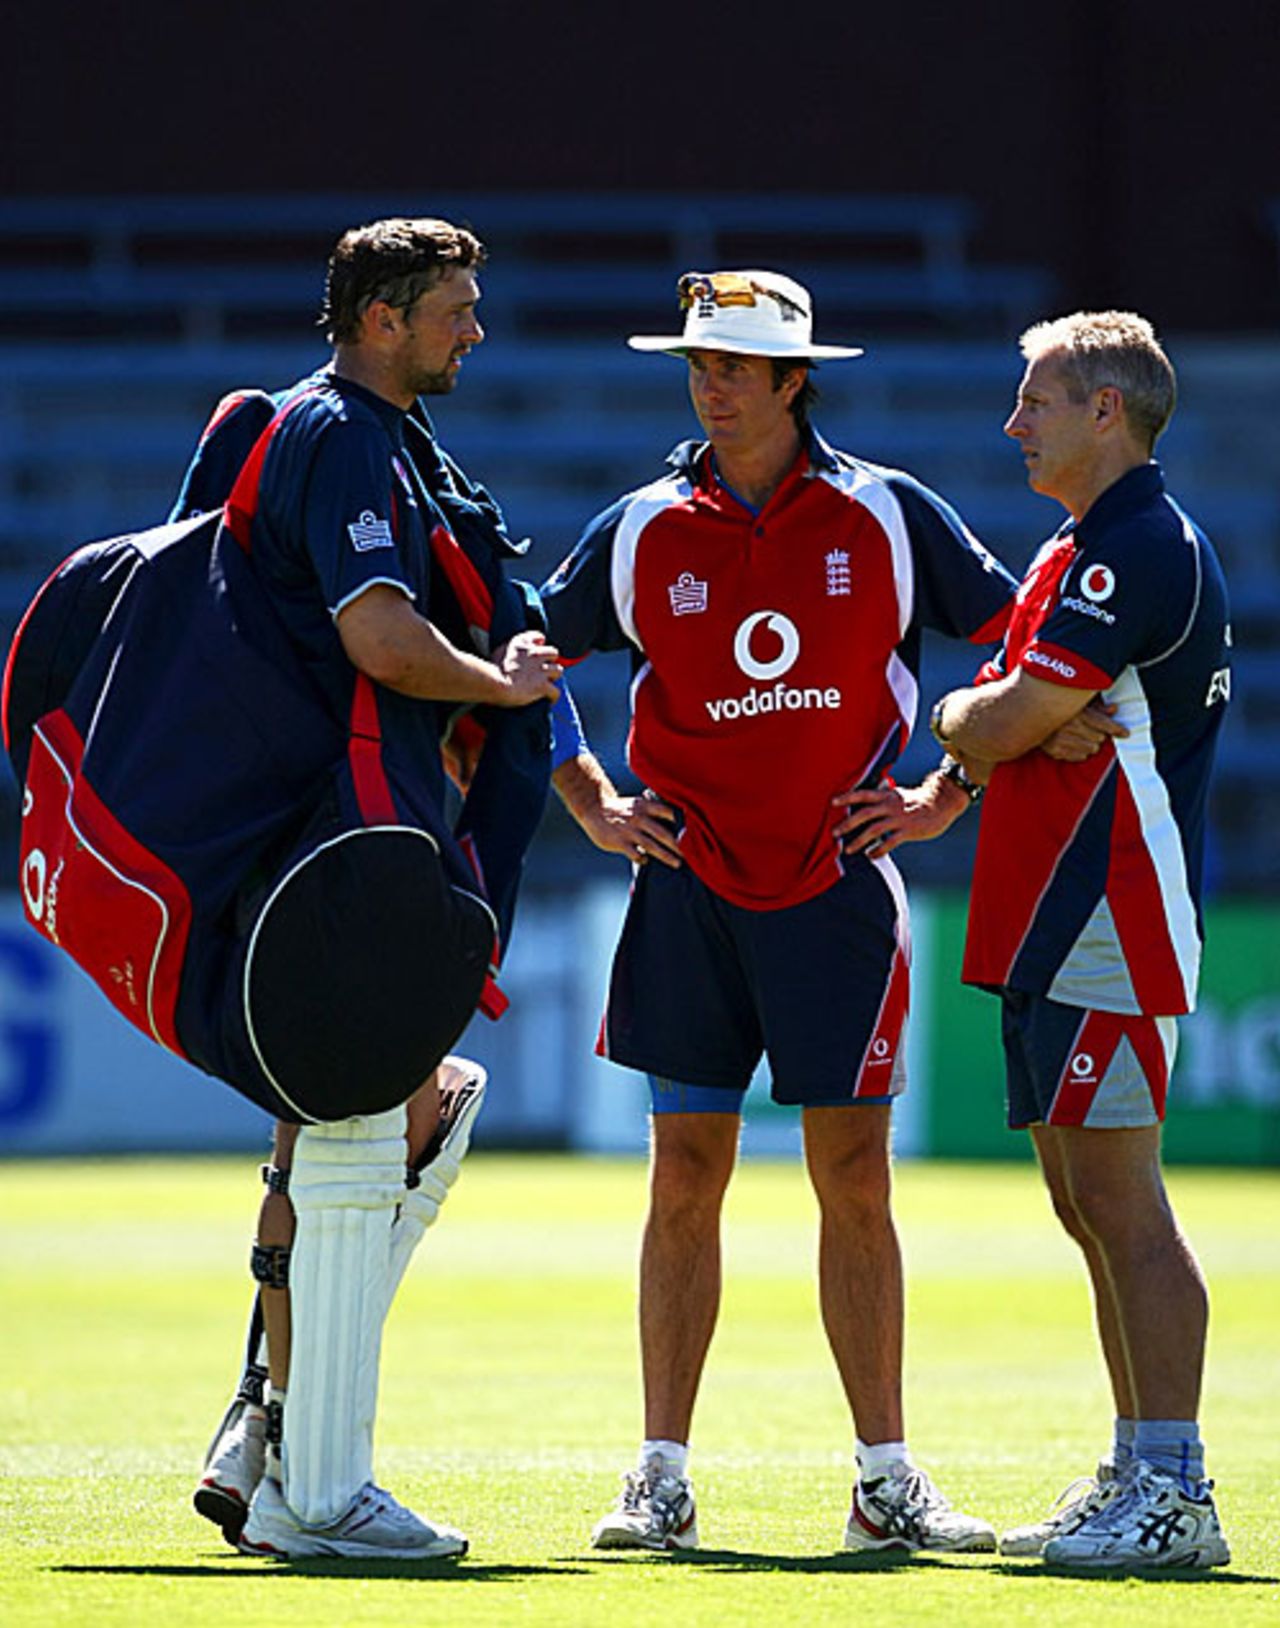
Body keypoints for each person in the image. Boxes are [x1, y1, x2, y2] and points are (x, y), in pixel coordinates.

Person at [539, 269, 1018, 1554]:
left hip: (835, 894)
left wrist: (947, 787)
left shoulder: (886, 512)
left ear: (795, 379)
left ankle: (883, 1478)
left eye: (735, 366)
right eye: (697, 362)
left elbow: (1031, 642)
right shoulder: (643, 522)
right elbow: (523, 658)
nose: (710, 384)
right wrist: (583, 791)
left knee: (851, 1177)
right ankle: (658, 1476)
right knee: (680, 1174)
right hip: (685, 887)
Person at [178, 216, 564, 1560]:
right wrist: (497, 684)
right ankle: (321, 1489)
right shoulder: (343, 432)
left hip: (320, 826)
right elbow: (381, 639)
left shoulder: (363, 433)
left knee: (394, 1106)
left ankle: (279, 1435)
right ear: (385, 317)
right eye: (455, 306)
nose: (474, 328)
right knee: (361, 1120)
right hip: (342, 824)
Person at [900, 311, 1231, 1569]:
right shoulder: (1074, 547)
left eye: (1034, 399)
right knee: (1080, 1200)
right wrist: (1000, 721)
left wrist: (975, 713)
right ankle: (1134, 1462)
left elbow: (998, 714)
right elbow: (1010, 720)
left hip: (1115, 911)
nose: (1010, 422)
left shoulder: (1131, 548)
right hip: (1051, 910)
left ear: (1106, 410)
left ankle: (1176, 1487)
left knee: (1120, 1198)